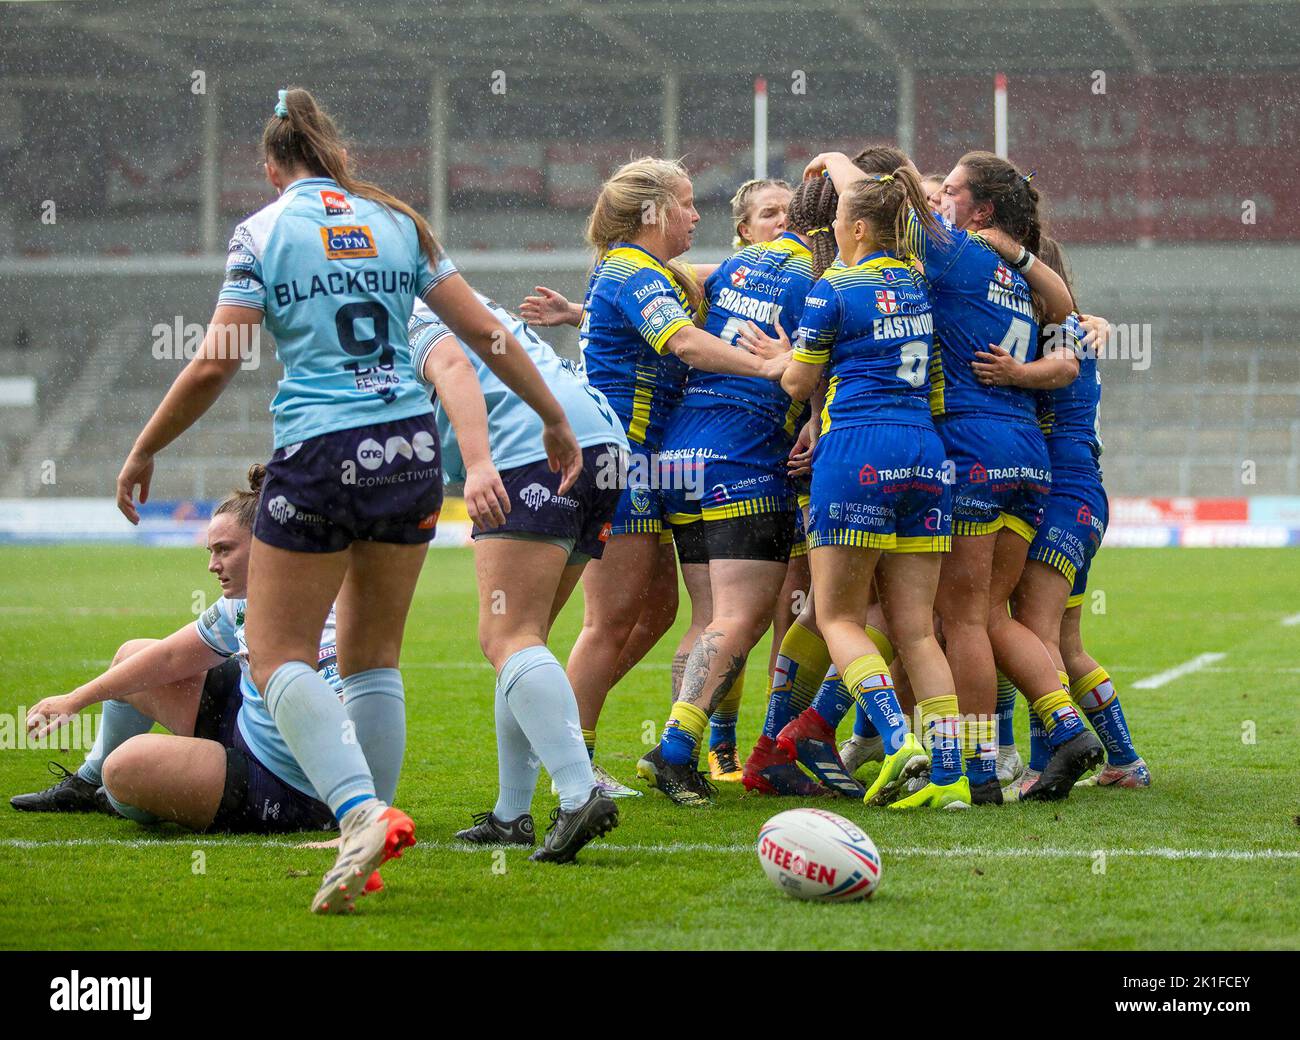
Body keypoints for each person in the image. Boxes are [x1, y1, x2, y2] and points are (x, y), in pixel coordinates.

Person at [113, 87, 583, 913]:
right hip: (408, 451)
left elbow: (218, 359)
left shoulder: (263, 232)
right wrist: (549, 413)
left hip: (323, 449)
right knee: (373, 659)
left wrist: (147, 445)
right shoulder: (397, 222)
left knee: (277, 653)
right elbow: (486, 334)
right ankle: (365, 825)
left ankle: (358, 811)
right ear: (332, 153)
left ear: (270, 167)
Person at [532, 157, 788, 802]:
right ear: (652, 213)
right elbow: (687, 346)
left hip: (649, 462)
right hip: (620, 460)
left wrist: (578, 314)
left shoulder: (641, 272)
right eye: (686, 203)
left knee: (660, 616)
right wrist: (774, 372)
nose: (697, 214)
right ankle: (572, 758)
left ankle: (646, 746)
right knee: (611, 620)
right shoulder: (632, 269)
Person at [741, 164, 973, 810]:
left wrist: (772, 359)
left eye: (839, 222)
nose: (832, 231)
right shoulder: (921, 283)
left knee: (838, 615)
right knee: (916, 630)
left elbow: (796, 383)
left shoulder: (834, 288)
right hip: (926, 456)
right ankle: (951, 776)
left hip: (857, 453)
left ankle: (899, 741)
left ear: (860, 227)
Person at [906, 149, 1102, 803]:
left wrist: (840, 162)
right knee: (990, 615)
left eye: (952, 191)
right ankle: (1066, 726)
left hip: (970, 450)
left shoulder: (955, 255)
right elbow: (1066, 311)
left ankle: (981, 770)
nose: (939, 201)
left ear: (981, 210)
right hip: (1027, 459)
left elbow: (881, 198)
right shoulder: (1018, 279)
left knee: (961, 620)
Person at [409, 290, 626, 861]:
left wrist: (477, 463)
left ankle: (579, 794)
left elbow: (453, 370)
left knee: (506, 637)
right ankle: (511, 815)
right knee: (522, 640)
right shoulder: (469, 301)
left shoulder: (407, 308)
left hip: (536, 450)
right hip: (600, 446)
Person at [19, 470, 347, 840]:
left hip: (285, 785)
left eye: (224, 549)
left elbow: (348, 724)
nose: (212, 564)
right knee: (133, 655)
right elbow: (169, 659)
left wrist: (354, 810)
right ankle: (86, 784)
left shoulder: (316, 623)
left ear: (266, 543)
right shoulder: (239, 604)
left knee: (124, 771)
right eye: (212, 552)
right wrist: (74, 701)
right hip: (244, 727)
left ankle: (124, 792)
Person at [635, 177, 825, 805]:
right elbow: (809, 374)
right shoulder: (823, 282)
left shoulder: (736, 266)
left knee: (707, 617)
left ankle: (683, 751)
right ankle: (677, 747)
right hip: (744, 455)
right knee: (741, 618)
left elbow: (678, 295)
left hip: (680, 454)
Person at [969, 239, 1149, 793]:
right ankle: (1123, 759)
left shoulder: (1049, 339)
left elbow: (1058, 375)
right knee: (1061, 642)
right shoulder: (1068, 329)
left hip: (1060, 494)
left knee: (1024, 630)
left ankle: (1043, 762)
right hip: (1079, 495)